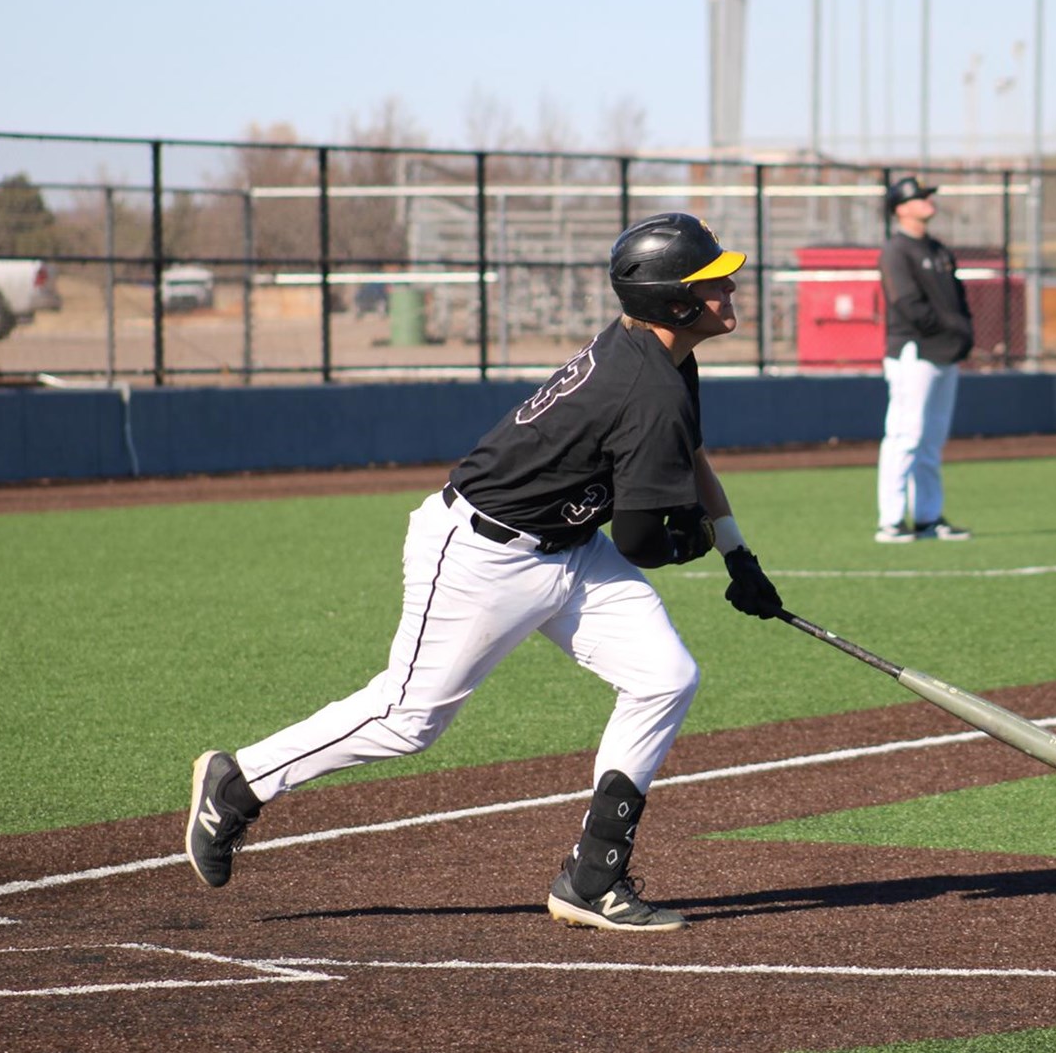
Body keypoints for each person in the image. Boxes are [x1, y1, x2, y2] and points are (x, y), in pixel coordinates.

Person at [183, 212, 784, 933]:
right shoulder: (644, 383)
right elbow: (640, 540)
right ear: (674, 301)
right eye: (712, 280)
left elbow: (685, 455)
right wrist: (687, 544)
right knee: (409, 720)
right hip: (481, 554)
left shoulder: (664, 358)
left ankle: (591, 878)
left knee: (665, 676)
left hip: (568, 547)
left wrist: (734, 548)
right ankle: (238, 782)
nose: (729, 287)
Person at [874, 175, 975, 543]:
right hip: (914, 351)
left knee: (931, 438)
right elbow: (909, 304)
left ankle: (928, 517)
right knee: (905, 434)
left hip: (944, 352)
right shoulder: (896, 250)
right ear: (901, 208)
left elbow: (958, 299)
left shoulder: (937, 248)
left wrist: (963, 333)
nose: (928, 201)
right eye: (920, 197)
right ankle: (891, 520)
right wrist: (951, 329)